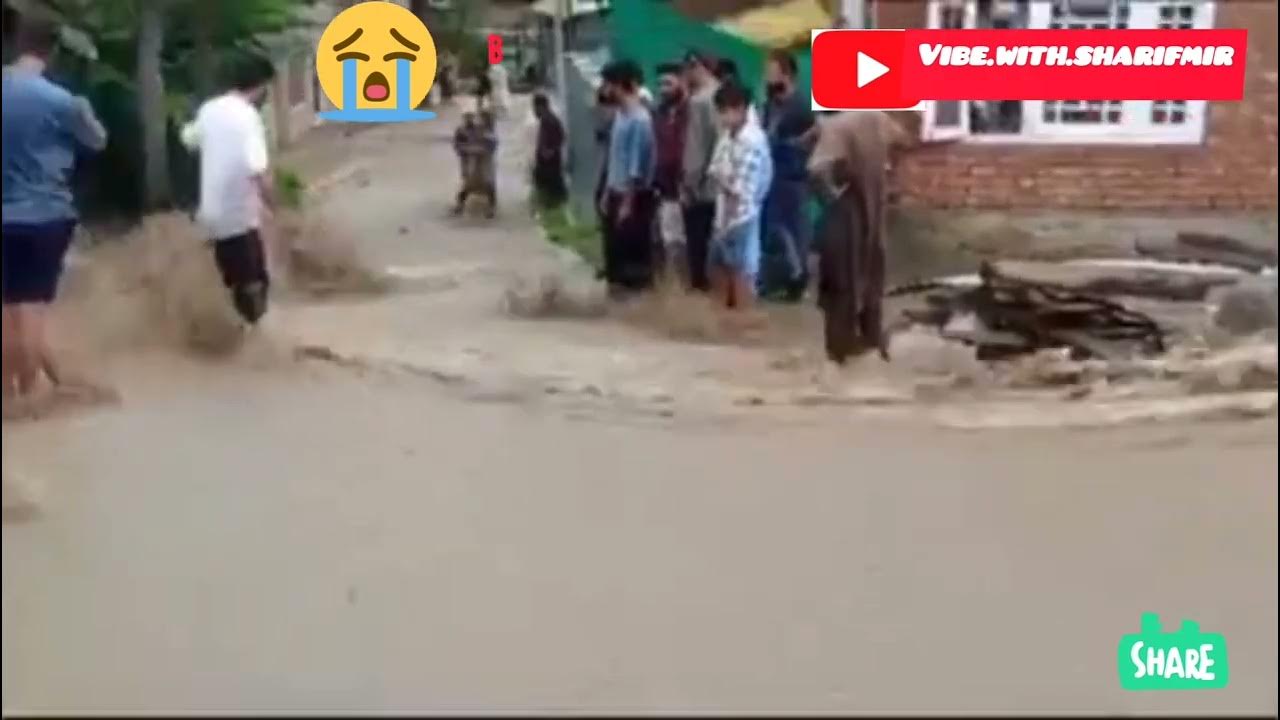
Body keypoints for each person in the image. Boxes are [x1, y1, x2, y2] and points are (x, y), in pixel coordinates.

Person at [2, 18, 110, 412]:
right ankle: (30, 402)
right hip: (46, 215)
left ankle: (10, 395)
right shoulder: (62, 101)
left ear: (15, 44)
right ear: (54, 51)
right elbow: (97, 141)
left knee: (9, 308)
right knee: (31, 308)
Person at [181, 52, 277, 328]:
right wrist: (275, 205)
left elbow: (188, 139)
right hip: (238, 218)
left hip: (210, 215)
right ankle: (254, 343)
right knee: (254, 283)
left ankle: (232, 331)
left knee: (234, 280)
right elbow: (258, 170)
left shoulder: (210, 109)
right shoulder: (248, 118)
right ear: (260, 86)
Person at [807, 111, 906, 363]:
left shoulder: (836, 128)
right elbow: (902, 139)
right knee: (871, 270)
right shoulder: (877, 119)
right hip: (872, 207)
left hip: (846, 211)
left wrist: (831, 194)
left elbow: (816, 170)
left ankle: (841, 350)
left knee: (841, 280)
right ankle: (871, 340)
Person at [707, 81, 772, 313]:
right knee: (719, 269)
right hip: (723, 213)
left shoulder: (752, 141)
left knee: (741, 271)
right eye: (721, 111)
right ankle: (725, 320)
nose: (723, 117)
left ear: (742, 109)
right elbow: (714, 170)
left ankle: (744, 320)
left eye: (727, 111)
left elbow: (744, 190)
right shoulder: (727, 137)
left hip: (742, 216)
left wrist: (728, 223)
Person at [760, 49, 817, 301]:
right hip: (773, 174)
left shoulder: (801, 105)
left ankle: (800, 280)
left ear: (787, 74)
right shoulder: (771, 104)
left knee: (796, 230)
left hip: (794, 176)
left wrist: (797, 144)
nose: (766, 76)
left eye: (771, 70)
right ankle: (782, 278)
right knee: (776, 229)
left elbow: (818, 132)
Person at [599, 59, 656, 295]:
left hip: (632, 197)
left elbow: (636, 167)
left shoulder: (639, 120)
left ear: (621, 85)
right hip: (615, 191)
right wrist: (606, 192)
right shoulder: (621, 116)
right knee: (614, 252)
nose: (605, 89)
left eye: (609, 84)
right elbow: (615, 158)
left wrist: (627, 202)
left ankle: (637, 304)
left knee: (632, 253)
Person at [679, 50, 720, 292]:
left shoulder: (699, 101)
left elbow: (696, 148)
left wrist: (689, 184)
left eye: (686, 70)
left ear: (696, 68)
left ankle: (700, 294)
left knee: (698, 247)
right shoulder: (723, 95)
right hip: (724, 184)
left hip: (702, 189)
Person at [652, 62, 689, 279]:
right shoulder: (660, 113)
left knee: (685, 243)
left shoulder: (691, 110)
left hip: (689, 188)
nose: (663, 89)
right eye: (660, 84)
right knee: (670, 241)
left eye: (668, 83)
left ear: (681, 81)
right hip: (665, 188)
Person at [452, 110, 498, 218]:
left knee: (487, 183)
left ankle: (491, 207)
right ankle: (460, 204)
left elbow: (490, 147)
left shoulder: (488, 133)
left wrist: (471, 149)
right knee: (469, 184)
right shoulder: (469, 131)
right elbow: (459, 146)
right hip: (474, 161)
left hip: (484, 162)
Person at [531, 93, 567, 210]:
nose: (534, 111)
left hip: (550, 163)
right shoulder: (547, 119)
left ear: (541, 107)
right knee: (545, 182)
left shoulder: (549, 120)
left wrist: (550, 151)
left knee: (552, 186)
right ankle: (551, 206)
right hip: (546, 162)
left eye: (535, 108)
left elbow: (561, 137)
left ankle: (553, 207)